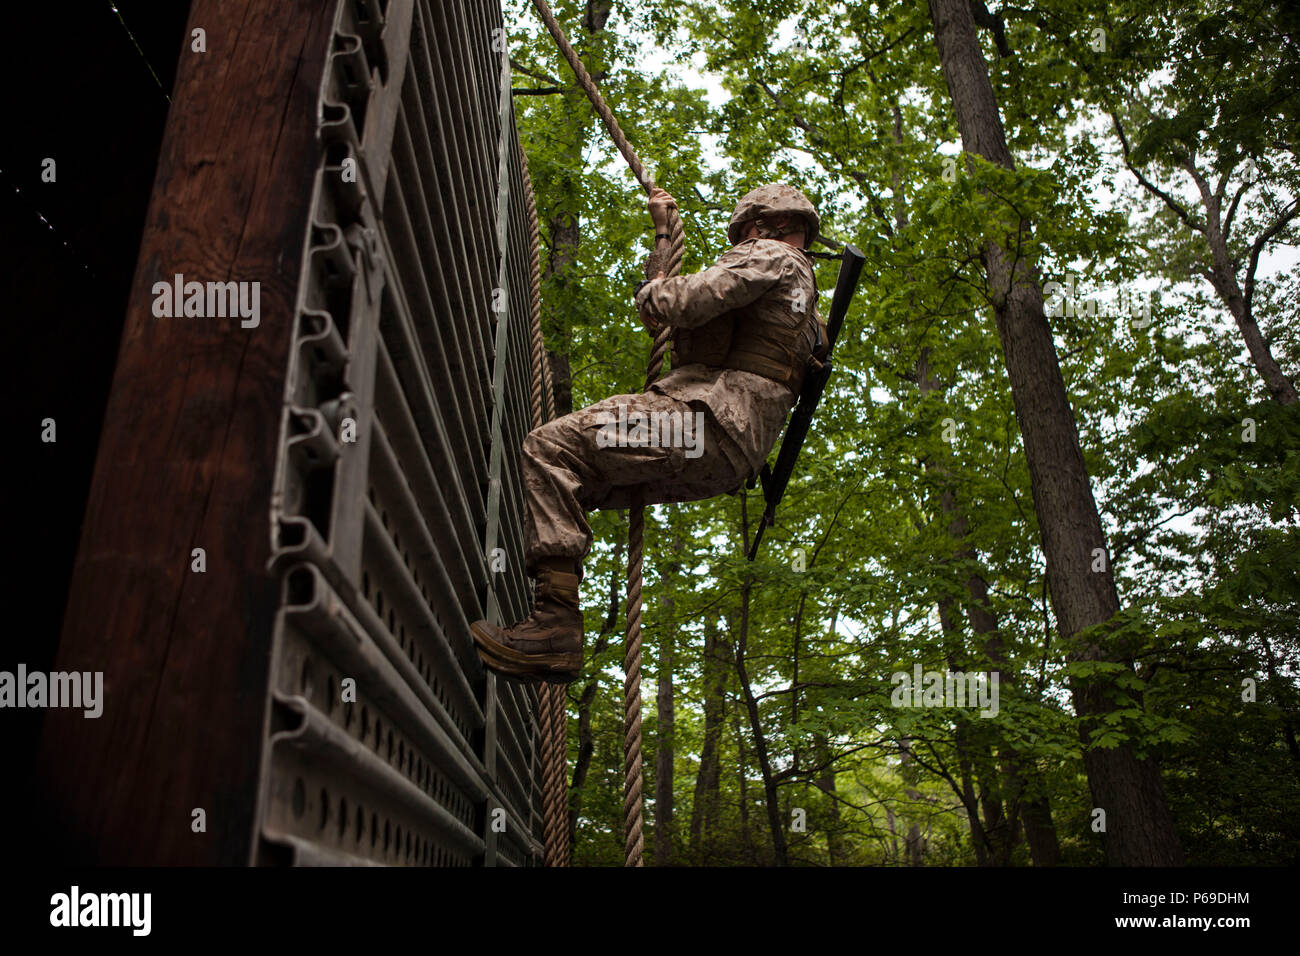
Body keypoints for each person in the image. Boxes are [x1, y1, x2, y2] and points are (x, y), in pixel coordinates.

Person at [471, 184, 826, 683]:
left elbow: (686, 300)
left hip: (703, 422)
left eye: (746, 229)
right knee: (579, 484)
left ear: (764, 225)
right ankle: (553, 617)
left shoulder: (771, 256)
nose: (742, 237)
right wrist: (663, 235)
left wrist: (655, 286)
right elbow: (677, 322)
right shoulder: (810, 315)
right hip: (725, 456)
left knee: (550, 448)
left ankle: (555, 627)